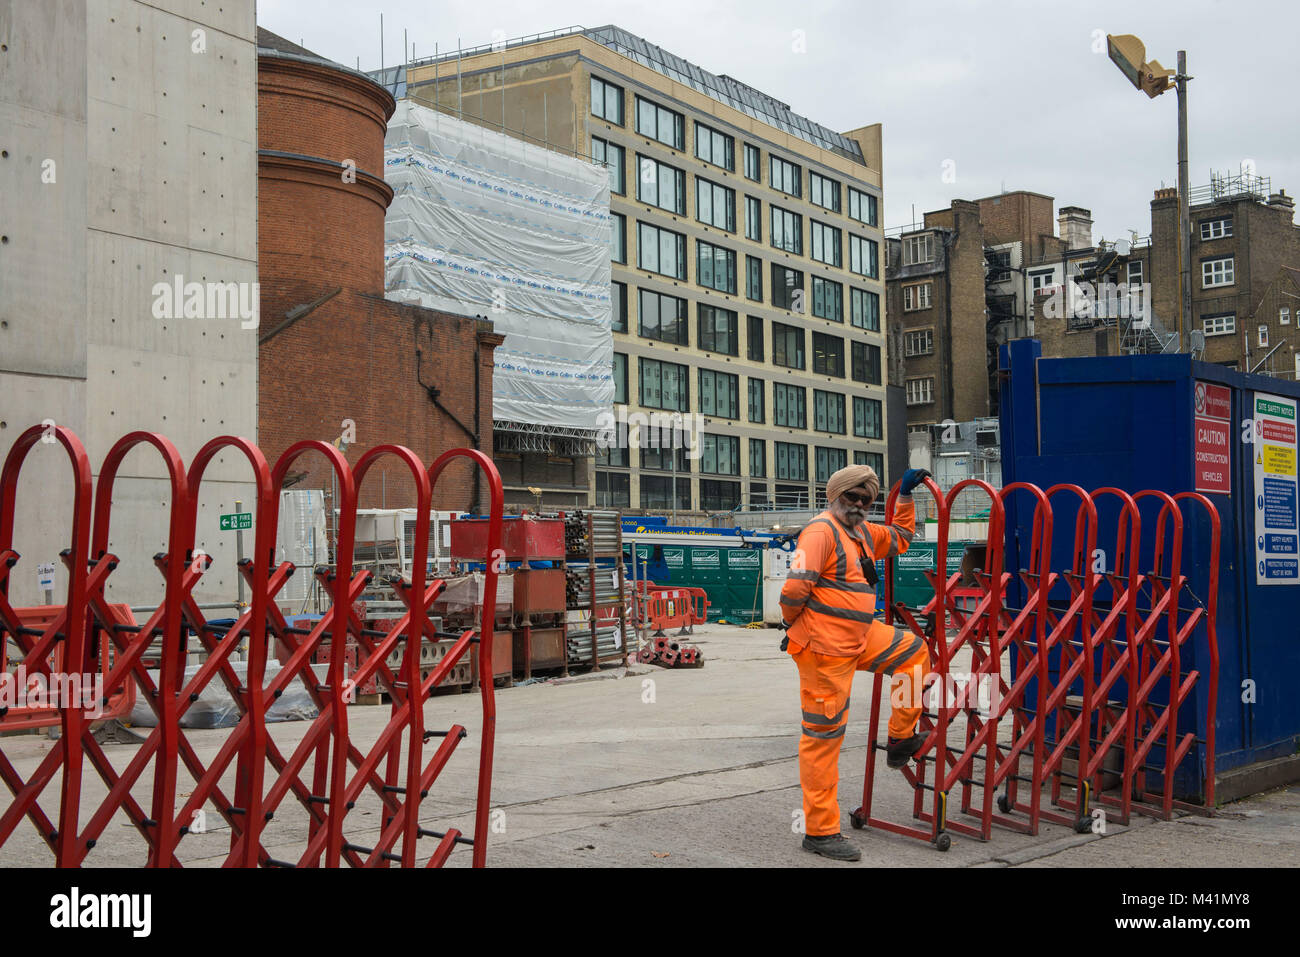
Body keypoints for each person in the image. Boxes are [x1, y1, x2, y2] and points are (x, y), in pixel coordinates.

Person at [779, 464, 931, 862]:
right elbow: (794, 590)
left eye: (867, 499)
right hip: (824, 653)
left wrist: (906, 497)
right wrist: (795, 626)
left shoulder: (862, 532)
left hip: (860, 639)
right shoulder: (820, 532)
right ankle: (820, 831)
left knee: (914, 652)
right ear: (836, 496)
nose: (860, 504)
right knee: (824, 741)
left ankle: (900, 737)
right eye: (853, 497)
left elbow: (900, 538)